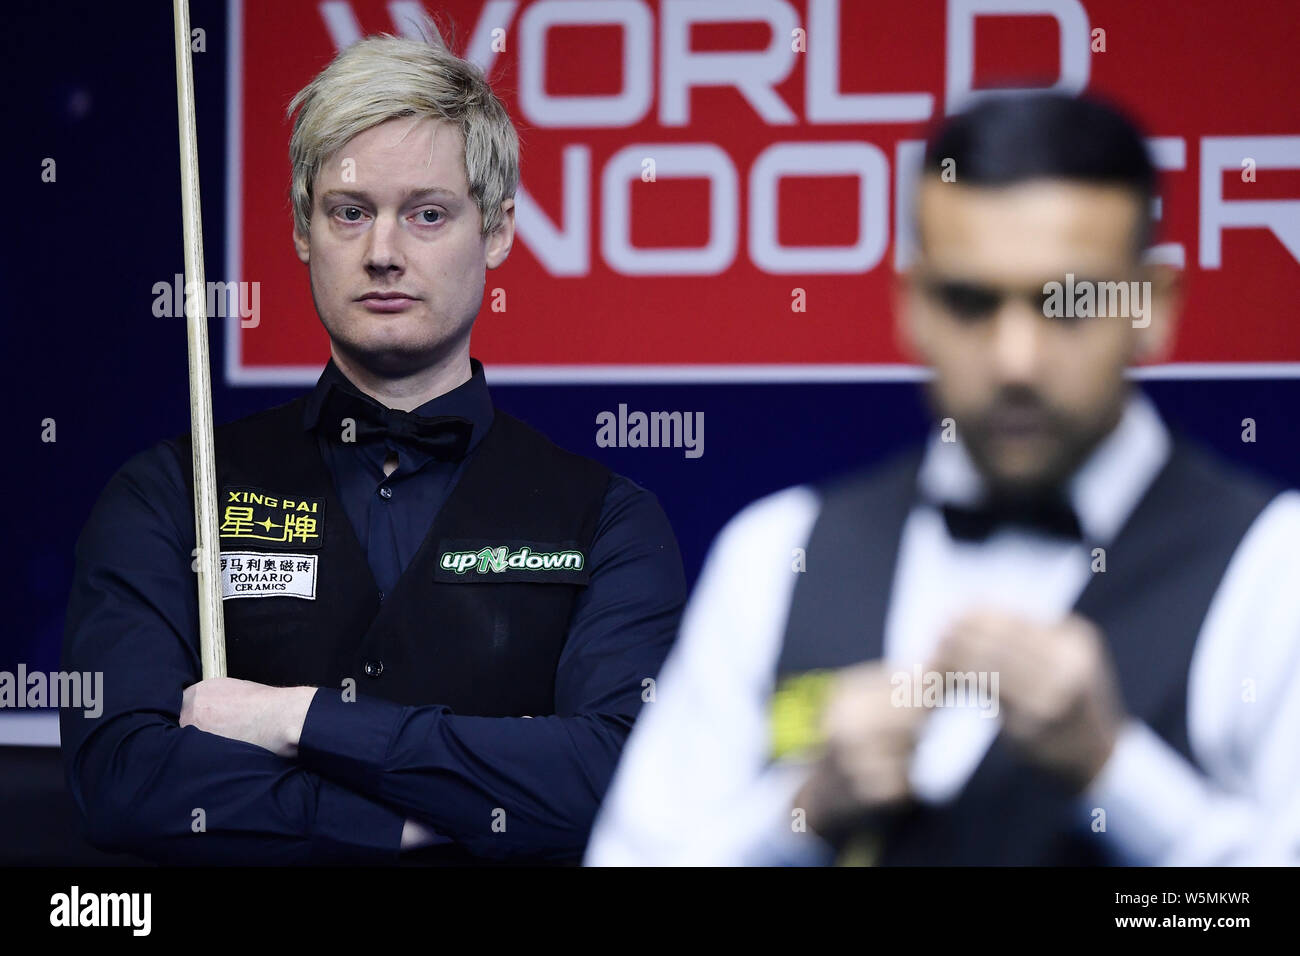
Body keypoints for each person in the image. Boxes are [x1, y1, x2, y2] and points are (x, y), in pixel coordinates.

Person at [586, 92, 1300, 866]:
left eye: (1070, 302)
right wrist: (803, 811)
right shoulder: (776, 551)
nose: (1015, 362)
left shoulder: (1276, 565)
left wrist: (1115, 771)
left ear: (1154, 307)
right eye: (970, 302)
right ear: (912, 304)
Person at [60, 25, 685, 865]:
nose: (383, 253)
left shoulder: (610, 523)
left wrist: (296, 719)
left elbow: (620, 782)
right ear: (301, 229)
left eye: (427, 214)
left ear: (497, 232)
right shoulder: (173, 496)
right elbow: (122, 779)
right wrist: (394, 825)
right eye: (350, 212)